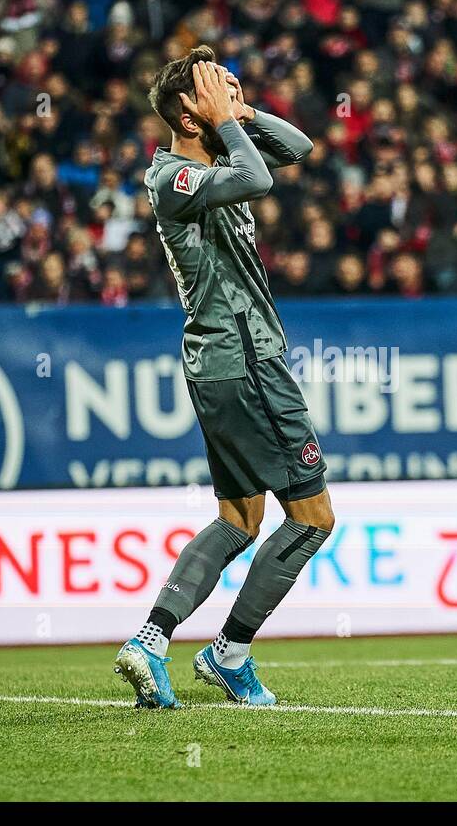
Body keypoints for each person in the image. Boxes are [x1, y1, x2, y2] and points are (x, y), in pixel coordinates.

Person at [114, 47, 334, 708]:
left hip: (220, 366)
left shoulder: (221, 156)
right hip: (245, 362)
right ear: (188, 111)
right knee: (314, 518)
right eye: (218, 90)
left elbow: (297, 148)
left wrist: (238, 109)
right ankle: (229, 652)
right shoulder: (174, 178)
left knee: (239, 518)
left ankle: (151, 641)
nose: (234, 100)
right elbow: (259, 179)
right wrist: (228, 119)